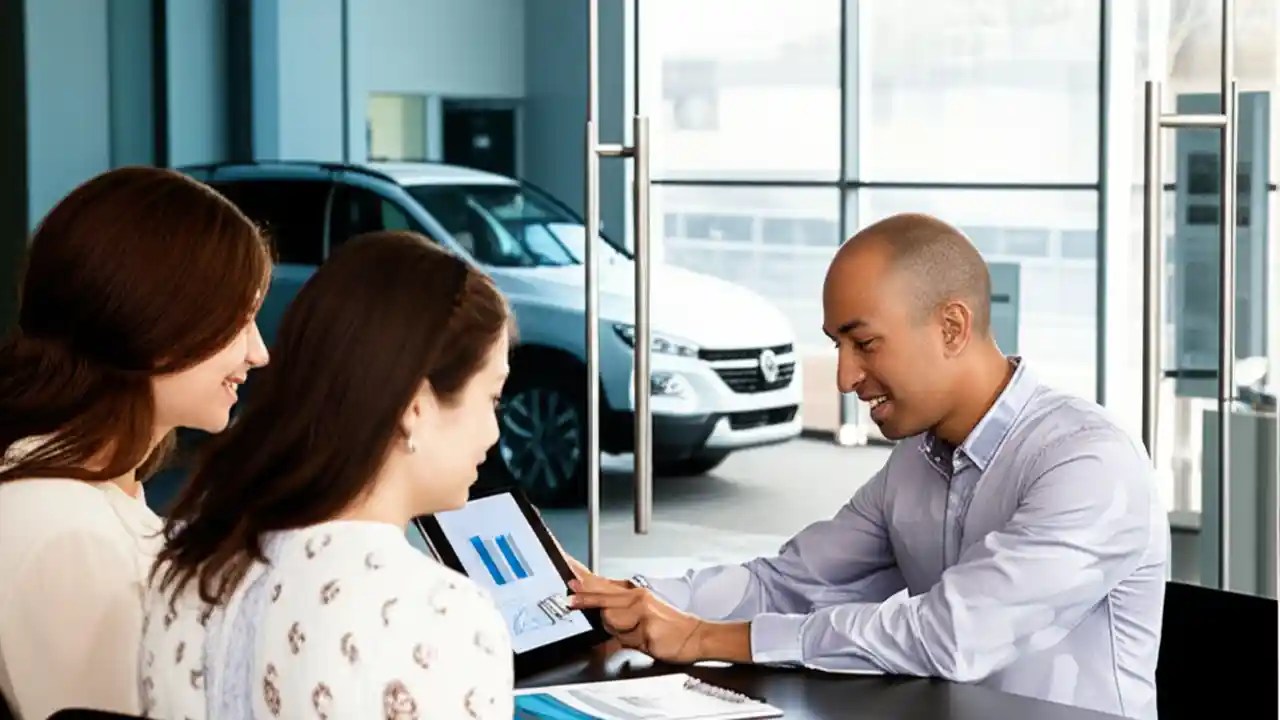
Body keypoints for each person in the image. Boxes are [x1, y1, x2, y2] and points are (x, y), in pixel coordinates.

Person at [567, 213, 1169, 720]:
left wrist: (708, 639)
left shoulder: (1088, 462)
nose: (845, 377)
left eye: (865, 344)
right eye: (837, 346)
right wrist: (622, 597)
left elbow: (949, 636)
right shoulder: (918, 459)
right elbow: (788, 584)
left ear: (951, 327)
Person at [142, 231, 515, 720]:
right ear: (415, 408)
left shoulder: (186, 565)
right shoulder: (442, 613)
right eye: (492, 398)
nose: (493, 432)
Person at [0, 166, 272, 720]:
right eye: (240, 320)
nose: (258, 352)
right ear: (157, 320)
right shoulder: (70, 536)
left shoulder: (92, 496)